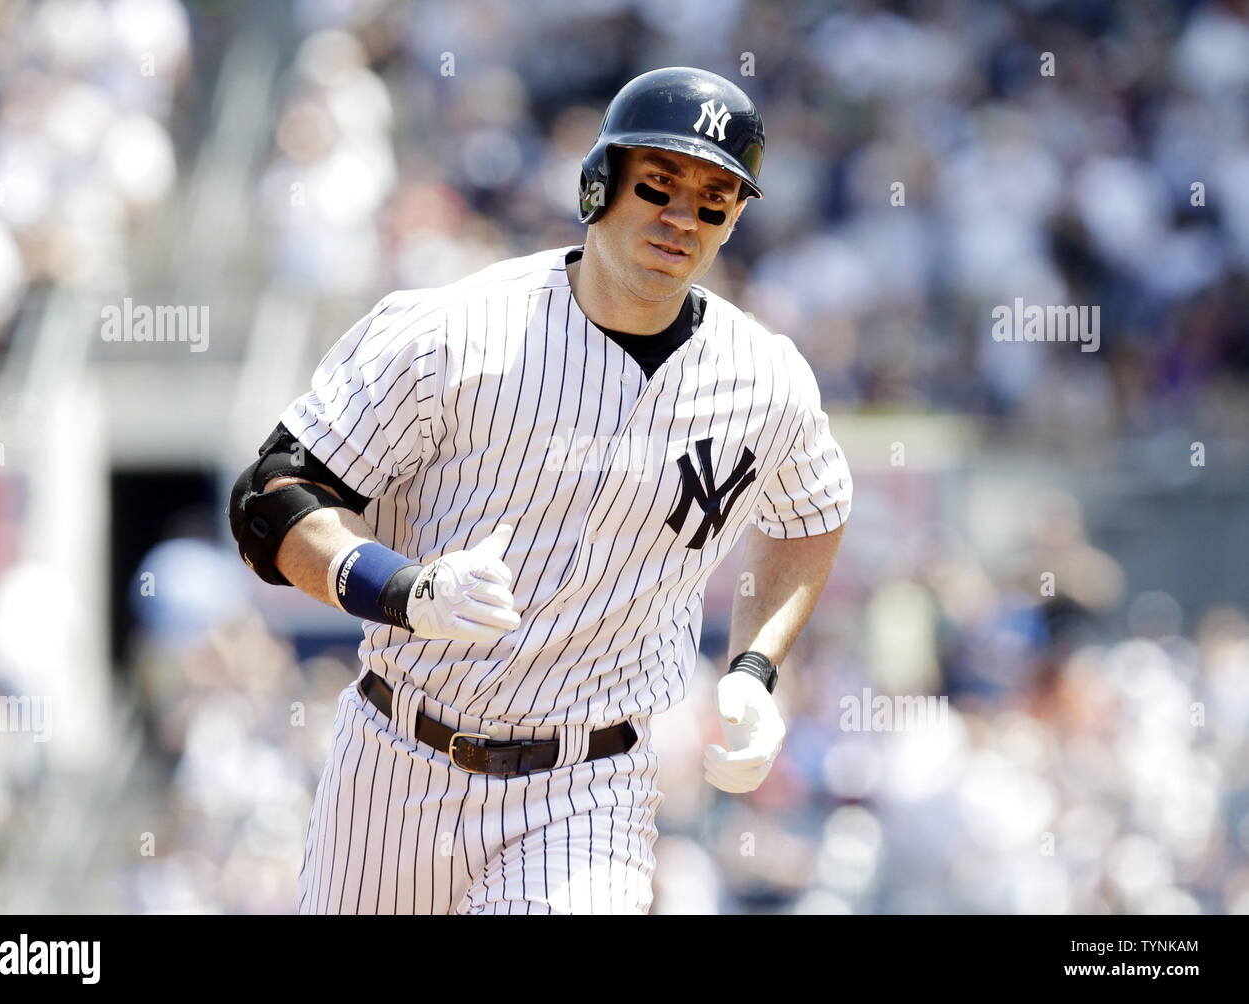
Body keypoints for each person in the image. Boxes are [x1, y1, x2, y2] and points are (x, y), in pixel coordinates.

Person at [227, 66, 851, 914]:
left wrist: (751, 669)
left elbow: (812, 513)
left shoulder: (765, 380)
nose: (682, 218)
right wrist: (403, 589)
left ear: (736, 217)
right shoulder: (452, 331)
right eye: (658, 185)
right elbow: (272, 499)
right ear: (600, 183)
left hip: (589, 785)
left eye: (714, 197)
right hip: (397, 759)